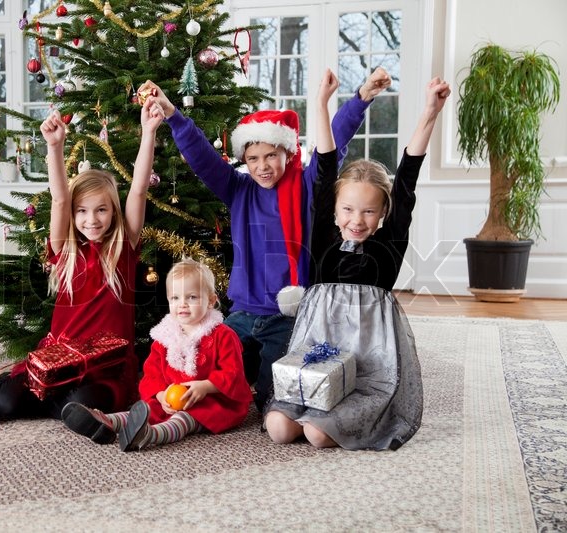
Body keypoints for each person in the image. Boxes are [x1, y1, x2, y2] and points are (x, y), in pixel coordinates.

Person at [137, 69, 391, 412]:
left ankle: (262, 386)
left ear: (288, 152)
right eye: (253, 159)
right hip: (241, 314)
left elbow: (333, 147)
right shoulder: (237, 189)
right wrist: (171, 112)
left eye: (271, 155)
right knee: (208, 380)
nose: (263, 166)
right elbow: (201, 157)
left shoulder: (306, 186)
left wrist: (361, 98)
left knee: (272, 399)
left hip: (287, 318)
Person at [263, 69, 452, 450]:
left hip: (368, 368)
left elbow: (407, 179)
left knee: (318, 435)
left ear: (382, 213)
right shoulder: (323, 235)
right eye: (348, 209)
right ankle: (312, 412)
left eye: (368, 211)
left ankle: (338, 417)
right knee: (280, 430)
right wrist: (320, 103)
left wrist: (430, 113)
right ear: (334, 210)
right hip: (316, 362)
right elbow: (325, 166)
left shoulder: (388, 245)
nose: (357, 220)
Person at [0, 98, 164, 420]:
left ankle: (64, 405)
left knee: (87, 402)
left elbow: (138, 189)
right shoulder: (65, 250)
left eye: (101, 210)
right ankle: (52, 400)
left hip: (104, 366)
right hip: (59, 358)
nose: (91, 220)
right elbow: (59, 199)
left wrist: (148, 132)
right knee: (4, 403)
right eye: (82, 211)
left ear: (114, 212)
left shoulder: (123, 247)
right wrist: (54, 147)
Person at [61, 258, 252, 451]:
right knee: (149, 410)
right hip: (171, 399)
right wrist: (161, 395)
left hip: (212, 402)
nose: (182, 304)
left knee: (183, 418)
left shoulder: (223, 335)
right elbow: (152, 375)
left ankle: (151, 434)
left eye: (192, 297)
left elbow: (233, 373)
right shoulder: (165, 337)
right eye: (175, 298)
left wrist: (206, 386)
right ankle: (105, 421)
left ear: (210, 301)